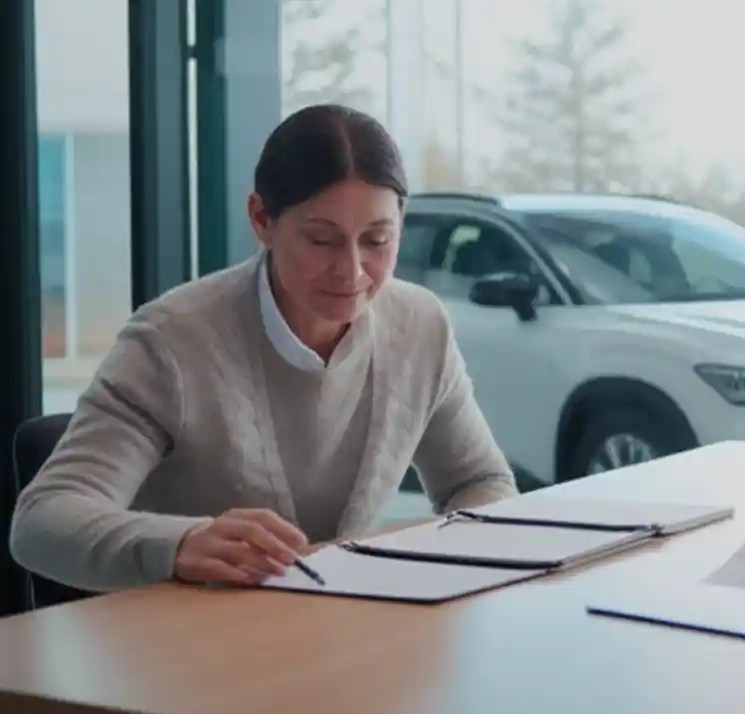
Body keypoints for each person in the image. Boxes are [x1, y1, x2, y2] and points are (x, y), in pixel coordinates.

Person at [10, 104, 518, 592]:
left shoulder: (419, 325)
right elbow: (43, 520)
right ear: (262, 219)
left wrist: (440, 562)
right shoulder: (172, 342)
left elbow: (480, 481)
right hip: (181, 649)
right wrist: (180, 544)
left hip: (346, 635)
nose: (353, 270)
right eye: (321, 240)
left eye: (377, 240)